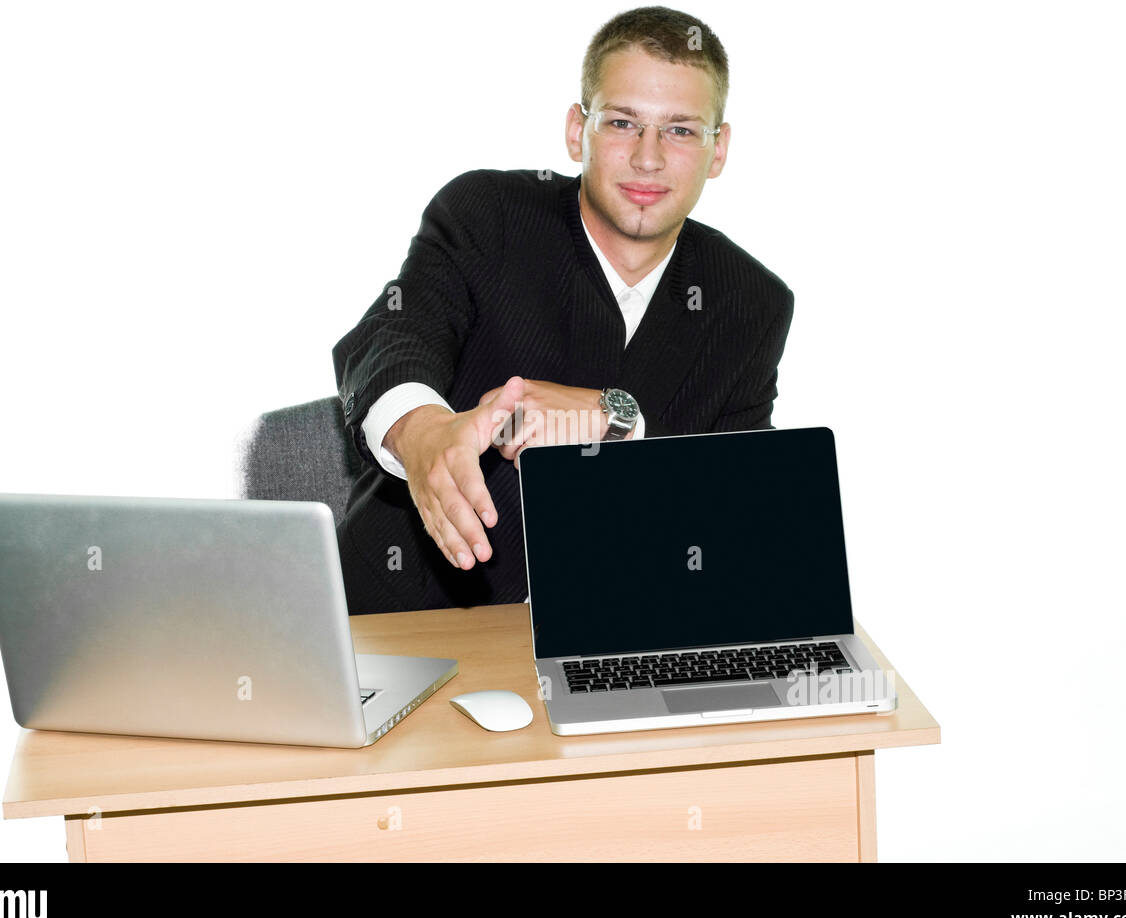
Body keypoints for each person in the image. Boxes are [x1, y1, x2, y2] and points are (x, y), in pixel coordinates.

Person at [331, 6, 794, 615]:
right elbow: (394, 334)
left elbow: (740, 507)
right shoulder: (486, 215)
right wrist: (423, 434)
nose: (648, 158)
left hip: (620, 633)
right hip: (405, 621)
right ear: (578, 131)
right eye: (623, 122)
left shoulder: (751, 301)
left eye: (681, 130)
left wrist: (620, 420)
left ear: (718, 149)